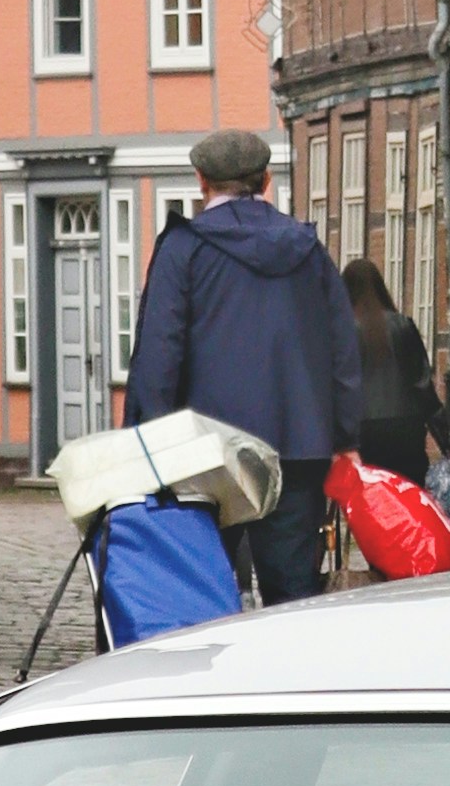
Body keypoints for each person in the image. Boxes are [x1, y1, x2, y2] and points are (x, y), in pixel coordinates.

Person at [125, 129, 360, 599]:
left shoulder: (183, 250)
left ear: (200, 181)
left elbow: (159, 353)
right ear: (267, 181)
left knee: (200, 587)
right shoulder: (308, 250)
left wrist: (147, 441)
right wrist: (346, 437)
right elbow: (342, 348)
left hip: (204, 452)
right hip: (296, 446)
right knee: (292, 590)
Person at [342, 253, 446, 483]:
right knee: (409, 500)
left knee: (372, 503)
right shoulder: (403, 326)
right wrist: (447, 440)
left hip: (364, 435)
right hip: (407, 431)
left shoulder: (344, 333)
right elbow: (423, 386)